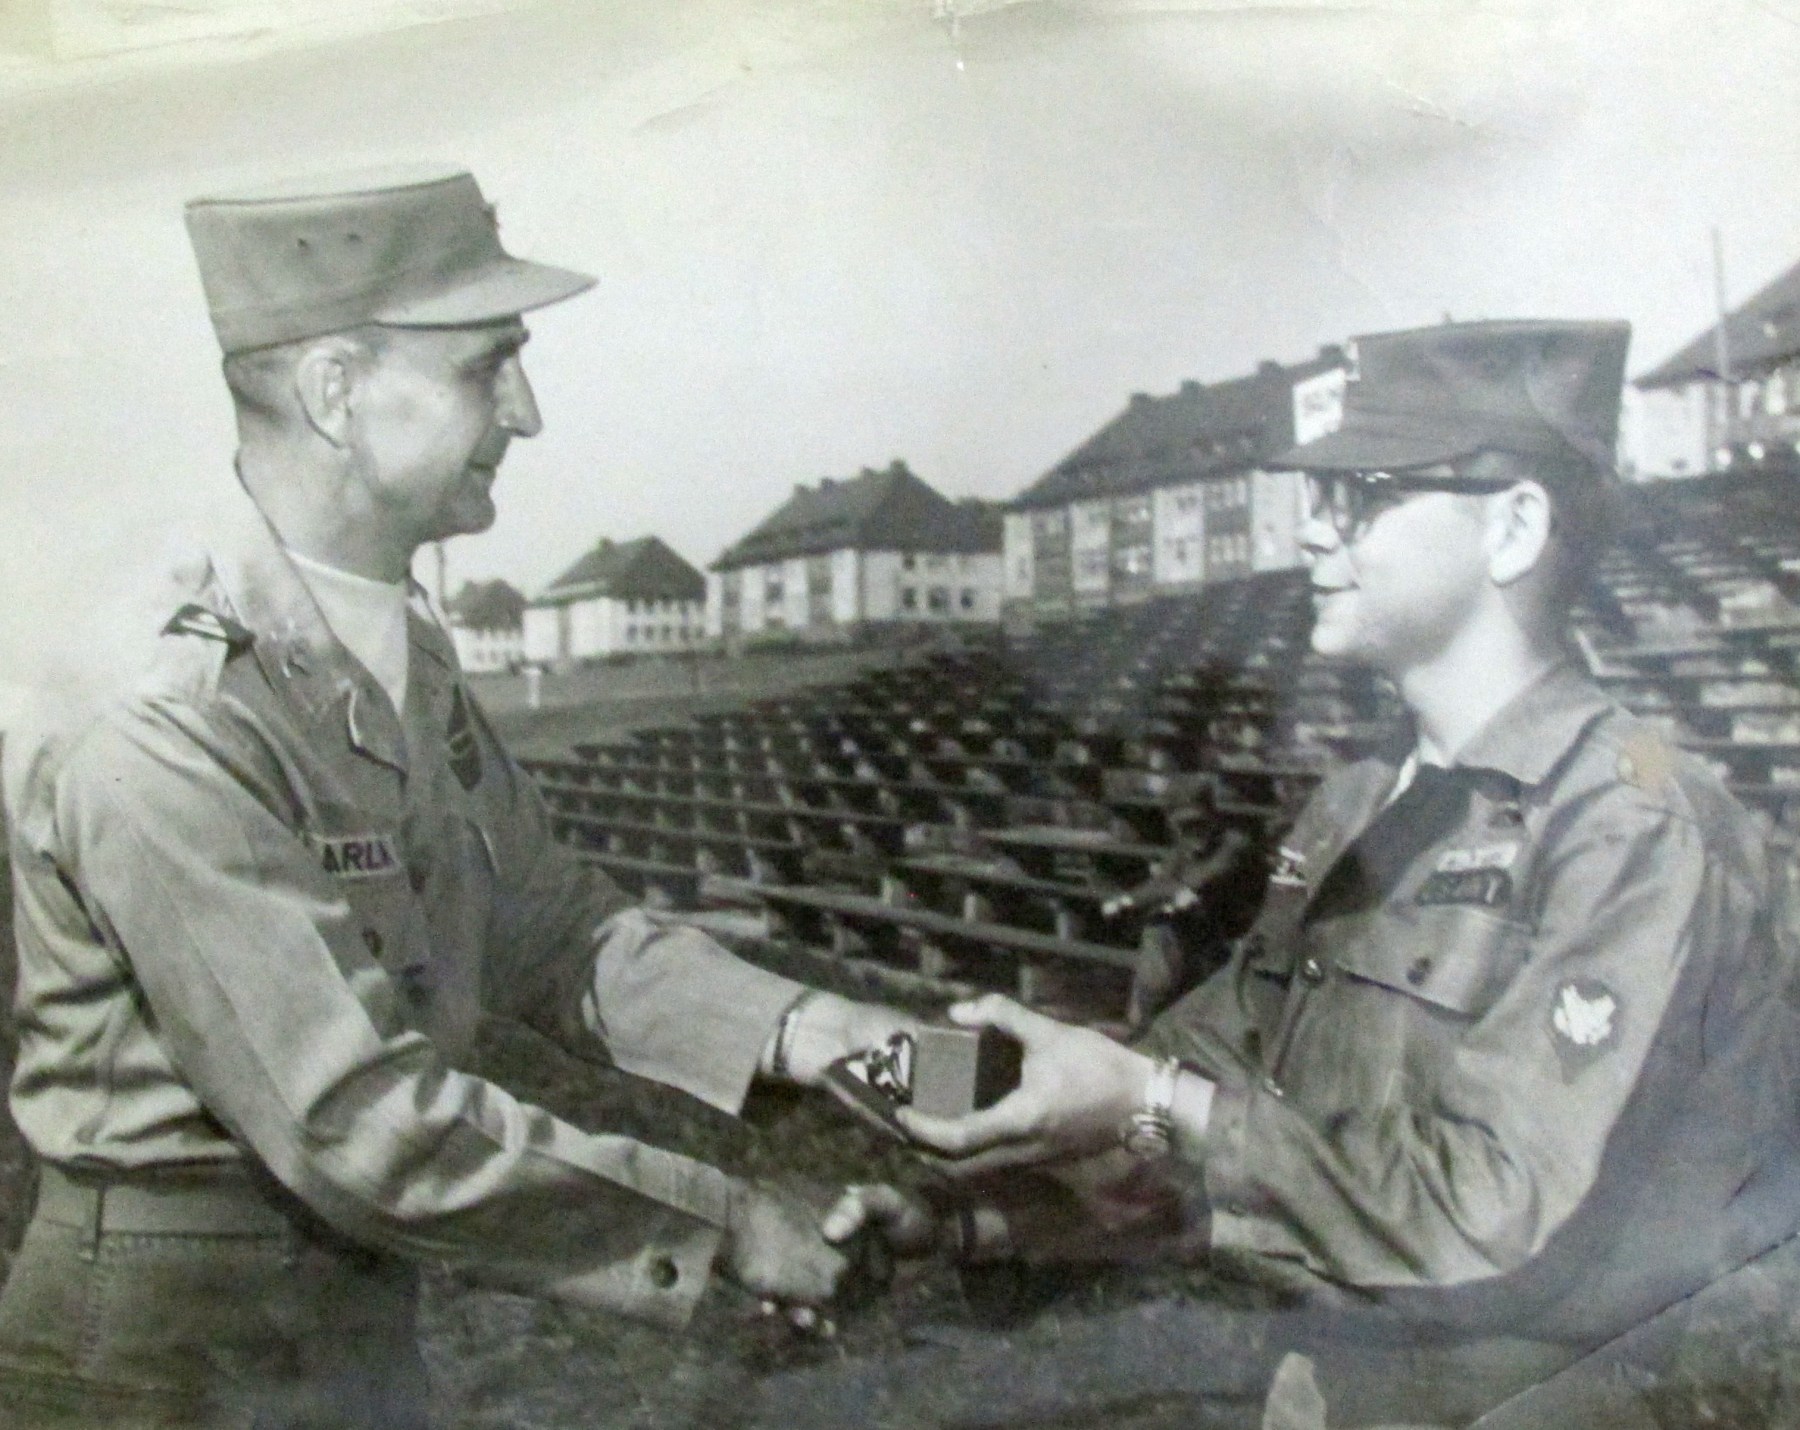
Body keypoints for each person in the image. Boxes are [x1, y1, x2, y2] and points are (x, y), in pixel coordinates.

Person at [0, 166, 911, 1429]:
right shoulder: (162, 704)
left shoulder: (394, 647)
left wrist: (844, 1042)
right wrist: (730, 1220)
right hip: (163, 1358)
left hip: (343, 1327)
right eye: (492, 365)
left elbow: (561, 932)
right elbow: (354, 1118)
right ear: (335, 391)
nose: (528, 413)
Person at [819, 319, 1800, 1427]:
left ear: (1515, 526)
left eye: (1364, 494)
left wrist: (1151, 1096)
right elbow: (1226, 1130)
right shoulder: (1356, 802)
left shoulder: (1640, 817)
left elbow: (1495, 1216)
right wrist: (984, 1207)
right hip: (1330, 1389)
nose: (1313, 535)